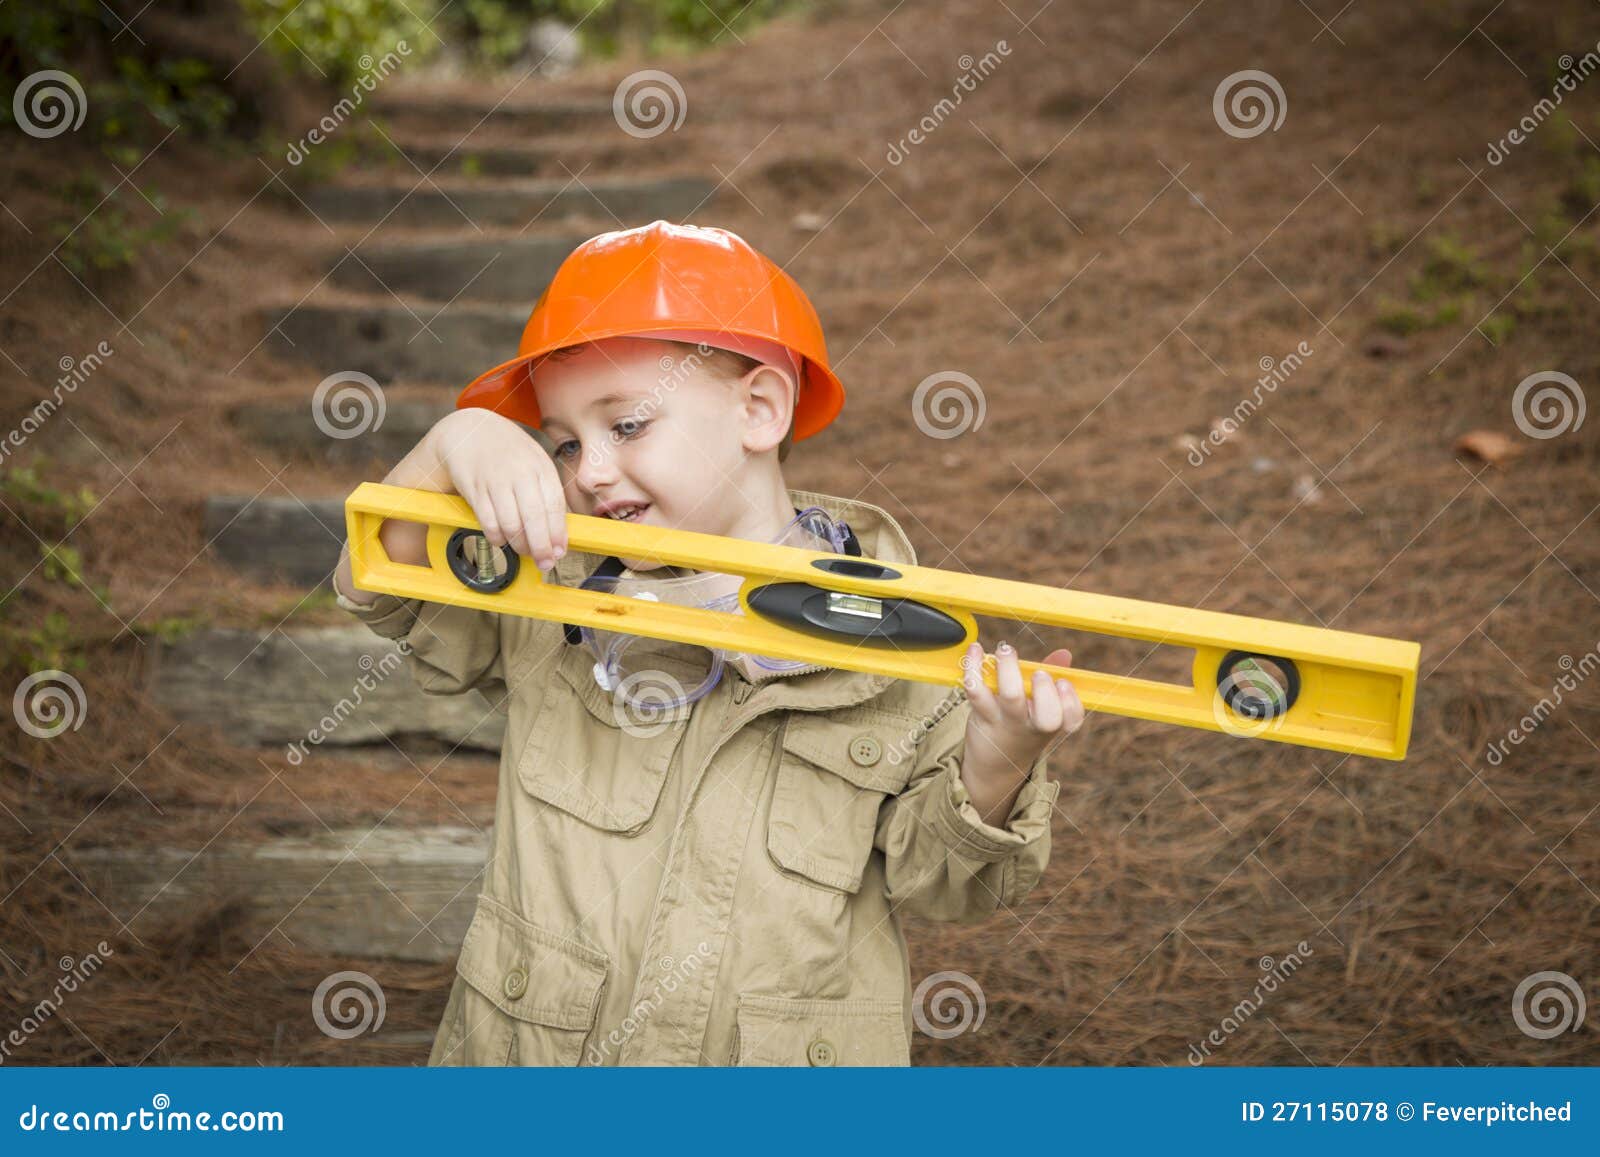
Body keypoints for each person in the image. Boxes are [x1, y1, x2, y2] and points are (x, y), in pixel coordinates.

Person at [332, 220, 1084, 1066]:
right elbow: (389, 580)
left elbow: (947, 882)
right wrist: (455, 443)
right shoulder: (550, 593)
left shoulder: (901, 639)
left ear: (759, 409)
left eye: (627, 426)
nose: (588, 472)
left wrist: (1000, 757)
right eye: (565, 442)